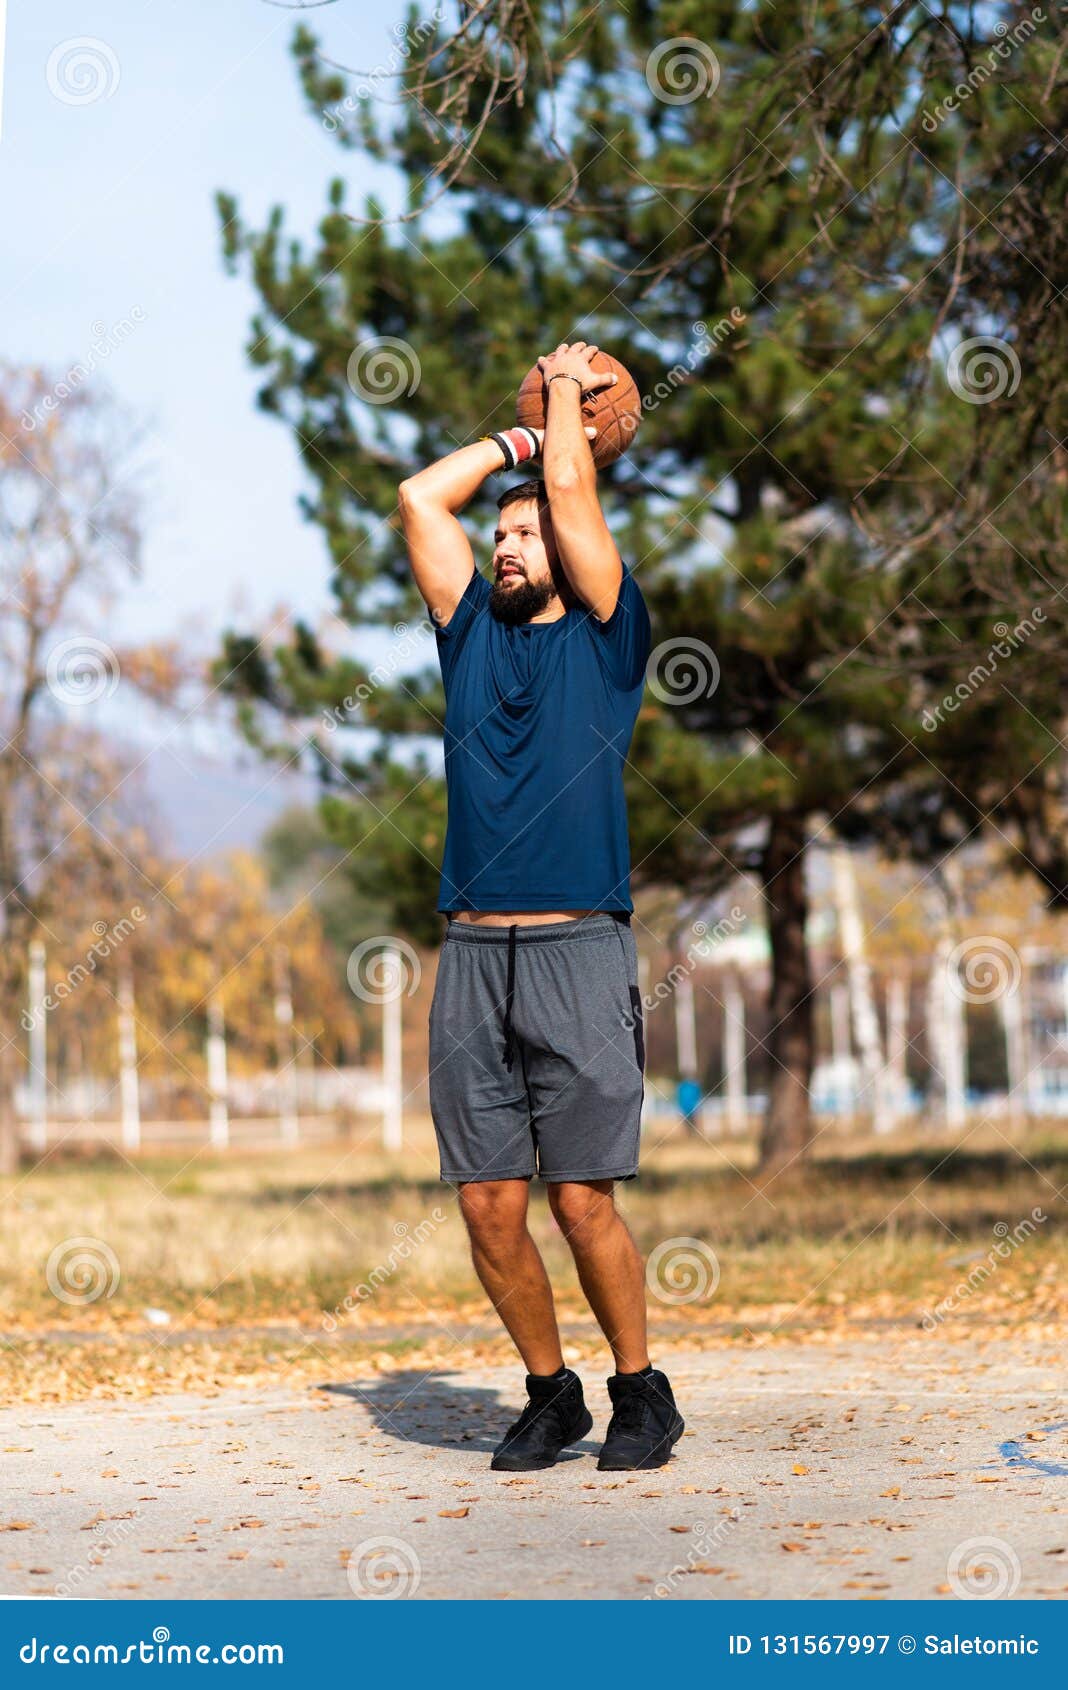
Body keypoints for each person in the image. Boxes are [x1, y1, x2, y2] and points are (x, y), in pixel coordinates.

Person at [398, 341, 683, 1473]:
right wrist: (519, 439)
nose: (510, 545)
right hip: (472, 953)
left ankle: (640, 1388)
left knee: (580, 1201)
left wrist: (566, 389)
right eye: (502, 534)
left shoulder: (611, 638)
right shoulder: (467, 637)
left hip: (577, 946)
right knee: (487, 1208)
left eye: (526, 535)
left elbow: (573, 489)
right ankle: (550, 1391)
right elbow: (424, 496)